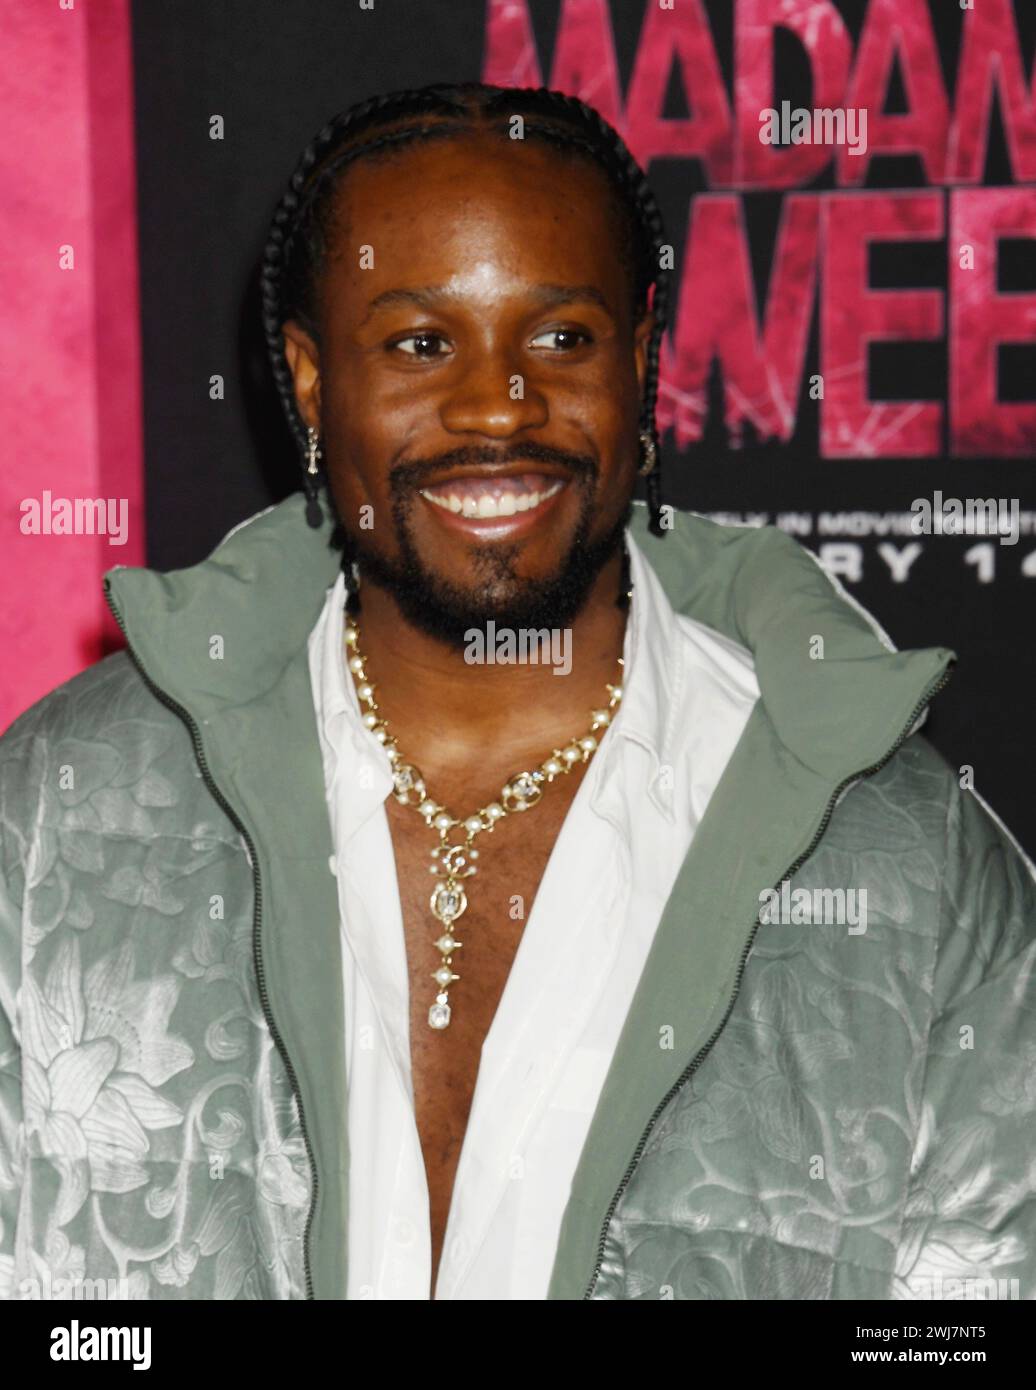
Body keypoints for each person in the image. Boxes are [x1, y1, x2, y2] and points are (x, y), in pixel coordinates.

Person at [1, 82, 1034, 1303]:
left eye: (561, 338)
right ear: (312, 385)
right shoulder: (59, 810)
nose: (498, 405)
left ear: (642, 365)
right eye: (420, 342)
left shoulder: (909, 859)